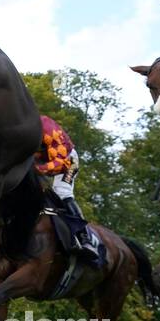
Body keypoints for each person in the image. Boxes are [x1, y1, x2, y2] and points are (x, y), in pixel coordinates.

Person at [34, 114, 102, 267]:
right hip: (41, 163)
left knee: (62, 191)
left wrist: (37, 169)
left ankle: (85, 238)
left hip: (66, 161)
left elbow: (60, 163)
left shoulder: (49, 129)